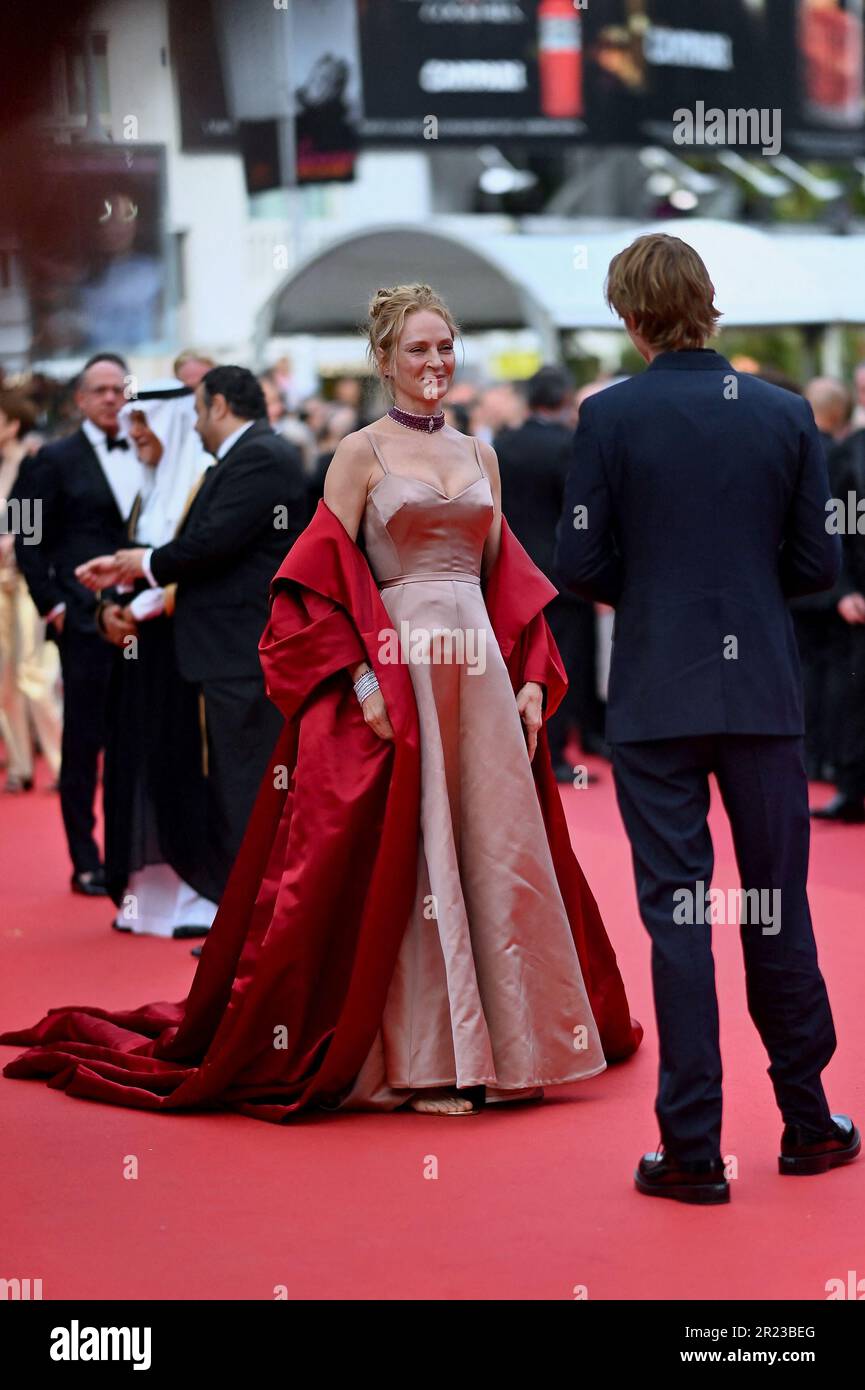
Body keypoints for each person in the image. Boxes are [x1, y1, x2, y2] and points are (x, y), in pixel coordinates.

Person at [0, 286, 641, 1120]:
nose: (436, 362)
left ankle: (514, 1044)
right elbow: (311, 582)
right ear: (384, 361)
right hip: (399, 669)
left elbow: (504, 580)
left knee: (493, 850)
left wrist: (527, 677)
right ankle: (423, 1058)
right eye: (418, 350)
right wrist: (362, 679)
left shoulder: (480, 457)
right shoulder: (358, 454)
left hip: (477, 674)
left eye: (445, 346)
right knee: (412, 858)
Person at [554, 233, 858, 1203]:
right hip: (762, 691)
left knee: (678, 916)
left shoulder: (607, 419)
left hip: (652, 693)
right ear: (707, 303)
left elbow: (579, 566)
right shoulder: (783, 413)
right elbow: (817, 568)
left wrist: (658, 597)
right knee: (777, 906)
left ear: (629, 317)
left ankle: (691, 1150)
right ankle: (807, 1123)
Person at [75, 366, 308, 923]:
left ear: (217, 406)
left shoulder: (254, 456)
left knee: (246, 787)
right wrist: (118, 598)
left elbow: (213, 545)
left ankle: (257, 917)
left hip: (231, 650)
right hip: (187, 654)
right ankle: (242, 916)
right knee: (229, 785)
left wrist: (143, 566)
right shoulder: (229, 460)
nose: (132, 429)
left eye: (200, 410)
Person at [12, 353, 142, 894]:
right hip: (83, 622)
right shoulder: (50, 459)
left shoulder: (151, 450)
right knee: (84, 742)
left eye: (120, 388)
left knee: (134, 740)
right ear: (81, 399)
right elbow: (25, 534)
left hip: (144, 619)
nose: (112, 397)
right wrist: (55, 608)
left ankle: (130, 857)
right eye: (101, 390)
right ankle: (85, 859)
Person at [96, 380, 221, 937]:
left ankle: (201, 893)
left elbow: (191, 567)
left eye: (144, 423)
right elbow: (133, 566)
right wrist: (109, 610)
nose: (137, 435)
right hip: (140, 657)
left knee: (185, 767)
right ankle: (152, 894)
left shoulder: (200, 485)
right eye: (132, 425)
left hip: (184, 657)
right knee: (140, 765)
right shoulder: (148, 491)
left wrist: (141, 605)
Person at [494, 366, 606, 783]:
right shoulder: (567, 445)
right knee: (557, 665)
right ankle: (552, 755)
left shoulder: (502, 444)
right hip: (560, 575)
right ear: (563, 400)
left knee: (518, 663)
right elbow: (577, 513)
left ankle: (516, 750)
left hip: (512, 571)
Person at [0, 390, 62, 793]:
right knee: (3, 679)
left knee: (33, 674)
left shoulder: (34, 464)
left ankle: (63, 764)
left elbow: (33, 529)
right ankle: (20, 766)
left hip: (27, 581)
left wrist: (10, 541)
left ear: (12, 425)